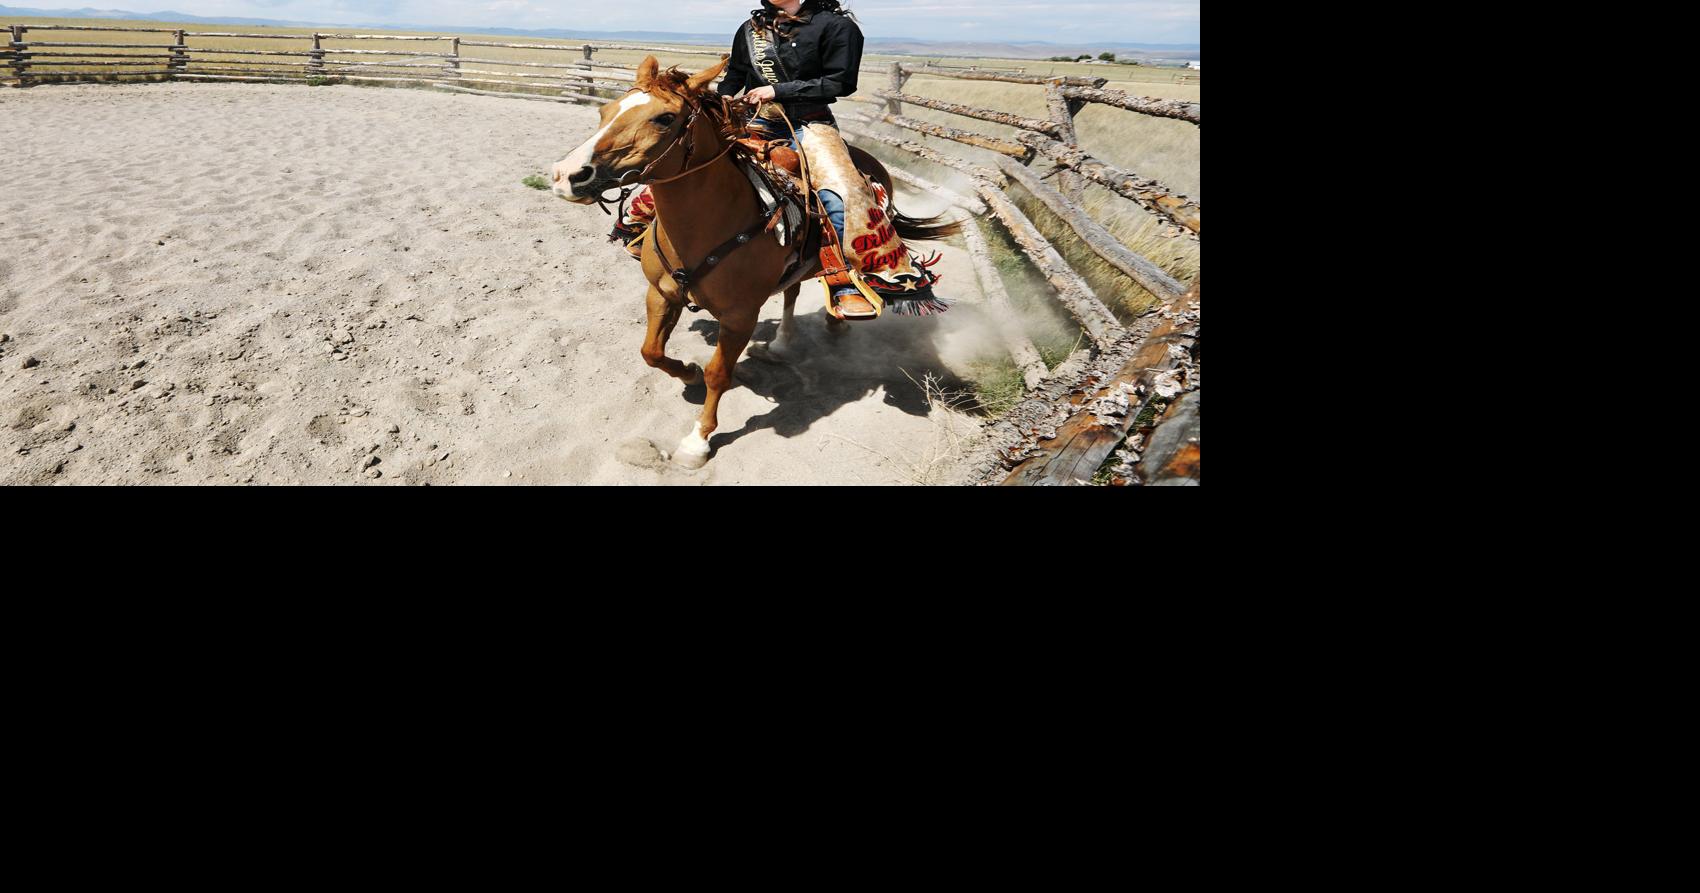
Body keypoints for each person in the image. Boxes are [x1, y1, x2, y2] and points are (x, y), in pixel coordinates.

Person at [611, 0, 948, 318]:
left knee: (840, 189)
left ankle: (843, 272)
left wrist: (778, 91)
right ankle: (643, 227)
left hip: (809, 122)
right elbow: (737, 75)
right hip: (757, 118)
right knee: (696, 161)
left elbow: (840, 82)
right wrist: (724, 100)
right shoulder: (750, 28)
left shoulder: (837, 27)